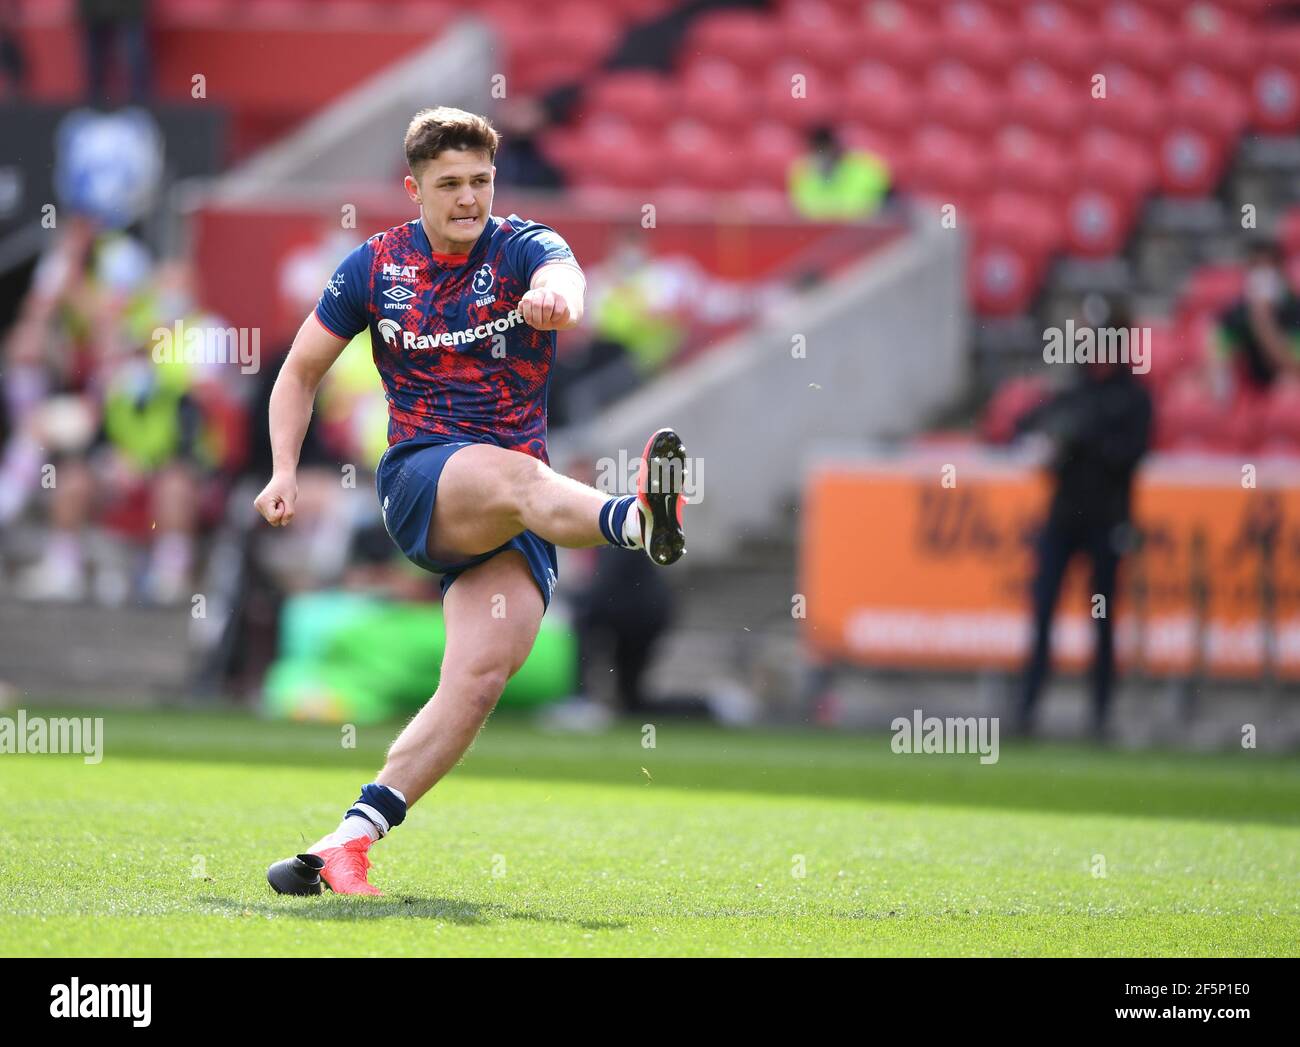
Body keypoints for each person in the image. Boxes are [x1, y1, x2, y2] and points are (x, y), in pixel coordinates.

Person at [262, 107, 688, 896]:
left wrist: (557, 300)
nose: (468, 198)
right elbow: (297, 374)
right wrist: (284, 470)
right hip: (426, 480)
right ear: (414, 188)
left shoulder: (525, 246)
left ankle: (348, 840)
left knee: (477, 680)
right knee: (521, 479)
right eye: (450, 183)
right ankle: (638, 520)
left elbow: (566, 276)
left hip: (515, 508)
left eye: (481, 181)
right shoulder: (372, 267)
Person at [1015, 298, 1153, 740]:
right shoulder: (1071, 390)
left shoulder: (1132, 396)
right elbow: (1026, 425)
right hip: (1063, 517)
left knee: (1103, 619)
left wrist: (1080, 441)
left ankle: (1100, 714)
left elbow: (1129, 454)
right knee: (1042, 614)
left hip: (1107, 519)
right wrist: (1050, 442)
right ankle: (1026, 709)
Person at [1211, 240, 1300, 395]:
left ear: (1280, 270)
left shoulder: (1294, 309)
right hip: (1250, 394)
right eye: (1255, 267)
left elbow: (1294, 367)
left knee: (1287, 386)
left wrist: (1263, 320)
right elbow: (1218, 353)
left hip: (1286, 390)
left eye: (1266, 267)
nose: (1260, 275)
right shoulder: (1238, 312)